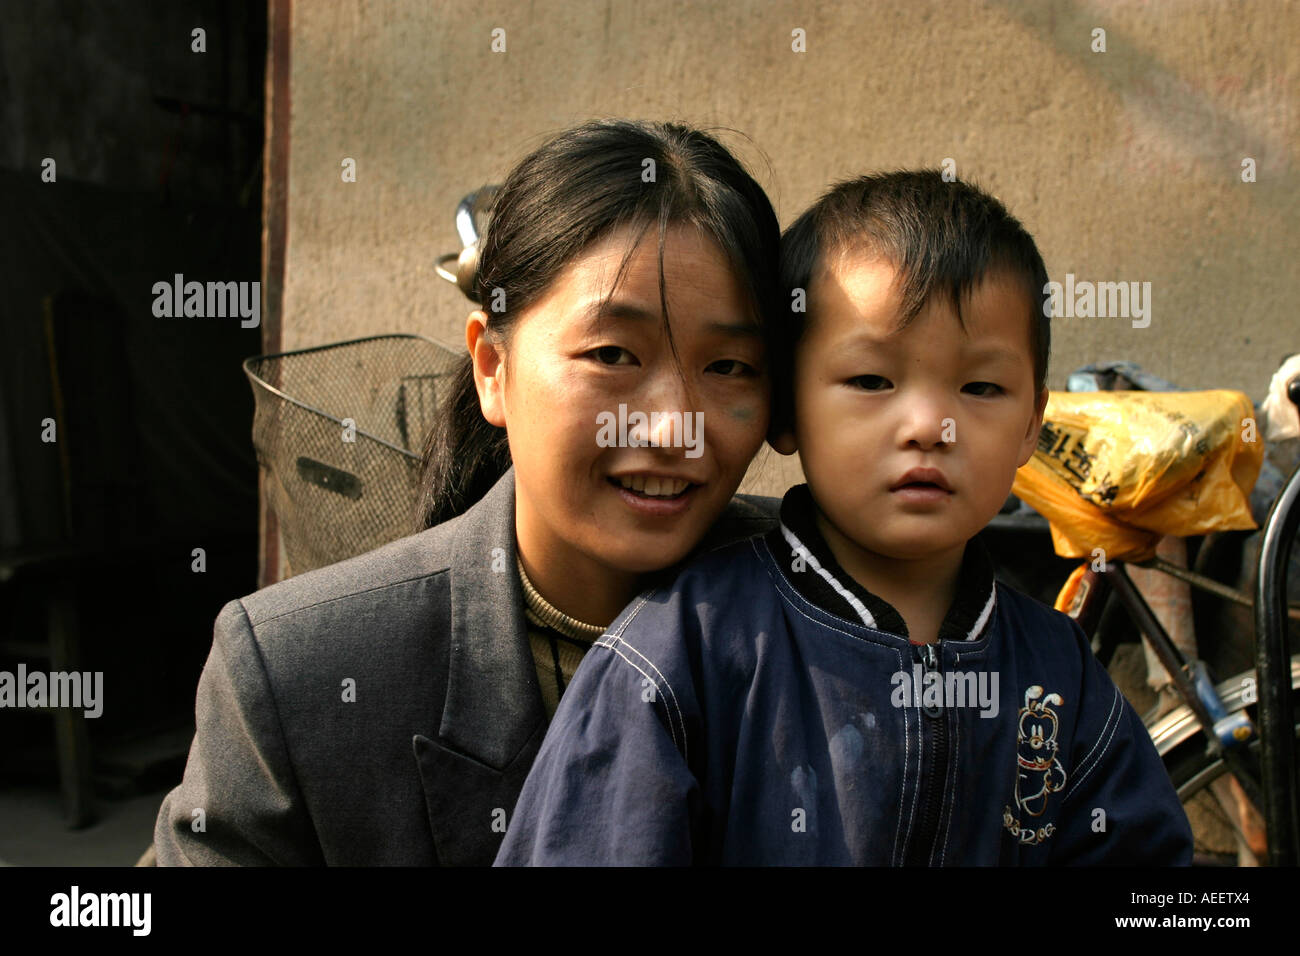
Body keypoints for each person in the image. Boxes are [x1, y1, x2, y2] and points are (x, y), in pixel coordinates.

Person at [495, 170, 1194, 865]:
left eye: (981, 387)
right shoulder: (685, 649)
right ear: (787, 409)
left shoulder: (1058, 672)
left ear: (1030, 428)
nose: (928, 425)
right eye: (871, 381)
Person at [153, 119, 786, 865]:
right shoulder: (298, 678)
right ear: (492, 366)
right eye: (613, 353)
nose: (674, 425)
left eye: (731, 366)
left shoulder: (840, 620)